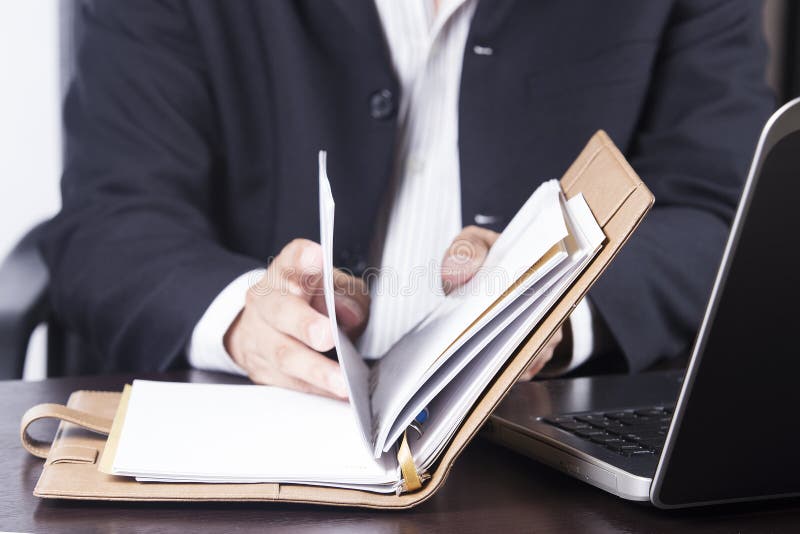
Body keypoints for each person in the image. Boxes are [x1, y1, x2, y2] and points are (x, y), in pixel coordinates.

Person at [42, 0, 773, 397]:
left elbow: (726, 207)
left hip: (548, 437)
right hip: (259, 436)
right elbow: (110, 216)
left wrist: (556, 300)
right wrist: (246, 318)